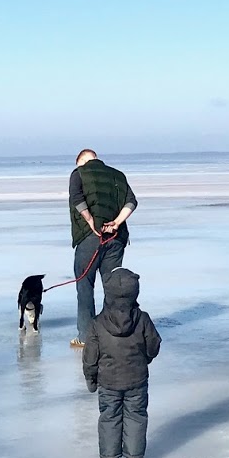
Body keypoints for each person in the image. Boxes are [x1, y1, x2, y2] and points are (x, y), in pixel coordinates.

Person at [82, 267, 161, 458]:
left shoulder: (97, 323)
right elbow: (153, 345)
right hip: (136, 379)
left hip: (108, 382)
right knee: (136, 415)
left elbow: (90, 356)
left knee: (110, 416)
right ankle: (134, 456)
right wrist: (145, 359)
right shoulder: (142, 319)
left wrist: (91, 379)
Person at [68, 149, 138, 347]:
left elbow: (77, 199)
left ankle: (86, 337)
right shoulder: (118, 175)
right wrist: (116, 222)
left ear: (81, 161)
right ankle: (116, 331)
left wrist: (90, 220)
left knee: (84, 285)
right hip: (116, 239)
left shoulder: (79, 173)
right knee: (113, 286)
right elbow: (132, 202)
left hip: (90, 238)